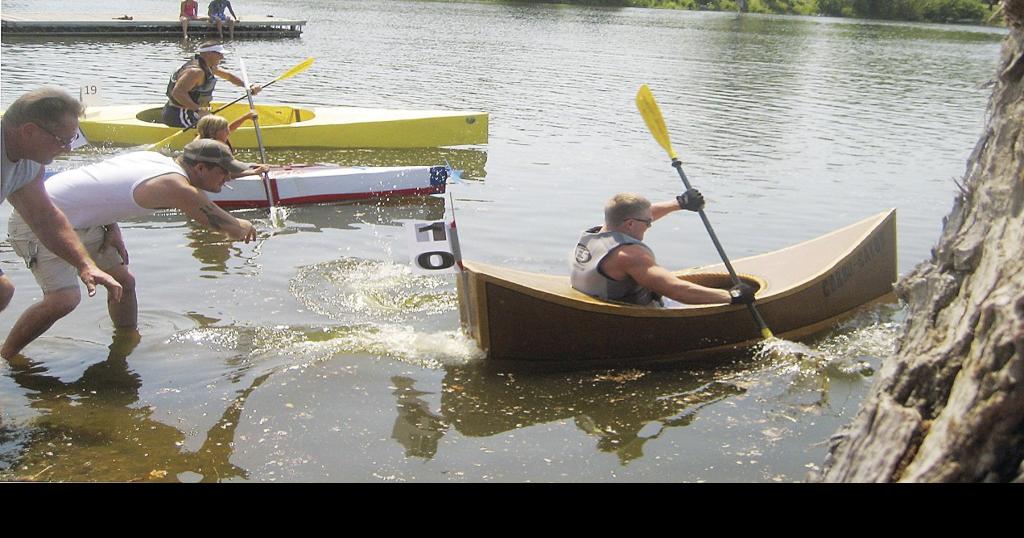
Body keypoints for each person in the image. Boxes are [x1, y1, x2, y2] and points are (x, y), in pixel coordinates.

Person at [2, 139, 258, 359]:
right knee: (64, 300)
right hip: (35, 220)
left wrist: (111, 226)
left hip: (83, 220)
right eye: (224, 172)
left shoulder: (153, 159)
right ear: (200, 168)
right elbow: (224, 225)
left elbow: (102, 188)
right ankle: (7, 356)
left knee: (124, 282)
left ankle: (126, 340)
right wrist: (242, 225)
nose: (228, 178)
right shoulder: (175, 185)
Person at [1, 87, 123, 315]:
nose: (67, 149)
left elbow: (44, 218)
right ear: (29, 131)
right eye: (62, 140)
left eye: (72, 140)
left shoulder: (31, 163)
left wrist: (85, 265)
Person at [570, 191, 755, 307]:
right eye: (648, 223)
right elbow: (676, 290)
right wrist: (731, 296)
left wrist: (679, 203)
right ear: (630, 224)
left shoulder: (597, 233)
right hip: (633, 315)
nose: (650, 224)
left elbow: (641, 213)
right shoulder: (630, 255)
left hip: (596, 299)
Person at [161, 42, 261, 128]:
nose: (222, 57)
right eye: (219, 54)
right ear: (208, 54)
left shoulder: (208, 66)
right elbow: (177, 93)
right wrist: (198, 110)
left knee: (217, 128)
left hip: (192, 112)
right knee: (213, 132)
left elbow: (229, 76)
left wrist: (248, 86)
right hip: (181, 115)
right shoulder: (195, 72)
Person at [194, 114, 270, 178]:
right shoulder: (209, 149)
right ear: (212, 133)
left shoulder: (207, 139)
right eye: (225, 130)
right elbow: (225, 173)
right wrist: (255, 172)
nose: (228, 133)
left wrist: (251, 165)